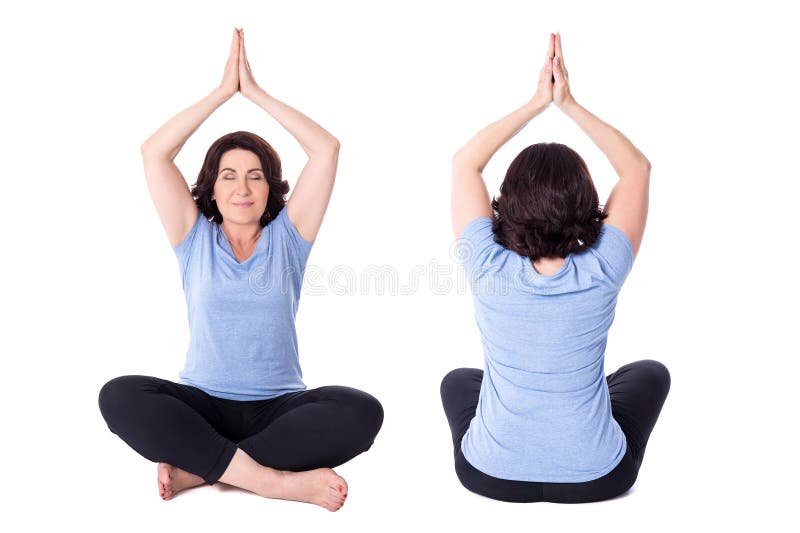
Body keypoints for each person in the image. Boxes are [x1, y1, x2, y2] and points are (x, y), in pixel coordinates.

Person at [98, 28, 383, 512]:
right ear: (212, 189)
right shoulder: (193, 238)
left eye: (255, 177)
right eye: (229, 176)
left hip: (279, 410)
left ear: (270, 188)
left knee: (362, 412)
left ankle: (203, 471)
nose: (242, 188)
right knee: (118, 396)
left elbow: (327, 149)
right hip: (201, 406)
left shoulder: (289, 238)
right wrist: (220, 93)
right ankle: (271, 481)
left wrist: (254, 94)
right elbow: (153, 153)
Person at [441, 32, 670, 503]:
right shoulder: (603, 267)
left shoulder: (487, 264)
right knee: (650, 372)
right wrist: (568, 103)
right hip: (599, 479)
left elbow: (466, 163)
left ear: (508, 204)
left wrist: (534, 103)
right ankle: (571, 407)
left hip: (489, 476)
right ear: (588, 203)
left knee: (458, 381)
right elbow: (637, 170)